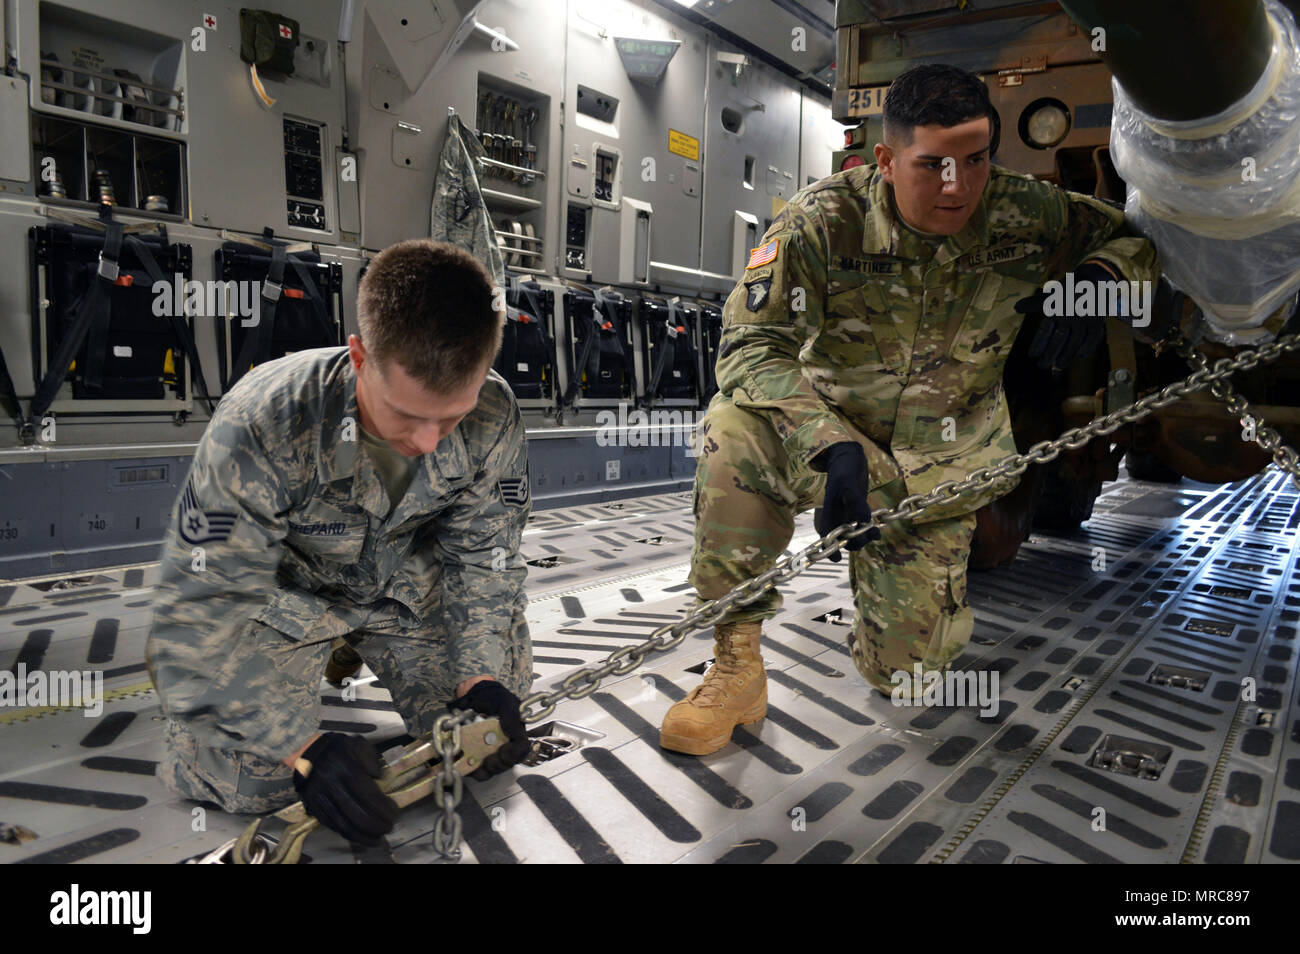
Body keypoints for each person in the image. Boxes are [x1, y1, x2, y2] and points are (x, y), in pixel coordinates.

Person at [660, 63, 1162, 756]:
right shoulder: (823, 220)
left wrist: (1100, 279)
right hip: (829, 441)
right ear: (887, 161)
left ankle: (888, 614)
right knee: (731, 433)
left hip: (939, 467)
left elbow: (1139, 238)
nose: (957, 187)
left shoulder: (1025, 211)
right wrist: (831, 446)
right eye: (933, 165)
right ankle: (736, 664)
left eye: (975, 161)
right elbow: (750, 346)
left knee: (907, 680)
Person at [147, 239, 534, 845]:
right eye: (406, 415)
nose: (430, 441)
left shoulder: (494, 411)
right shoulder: (262, 420)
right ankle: (321, 656)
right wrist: (299, 749)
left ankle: (372, 656)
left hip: (401, 590)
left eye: (451, 418)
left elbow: (485, 556)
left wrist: (479, 680)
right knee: (254, 782)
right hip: (285, 599)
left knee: (476, 739)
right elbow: (196, 606)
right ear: (359, 357)